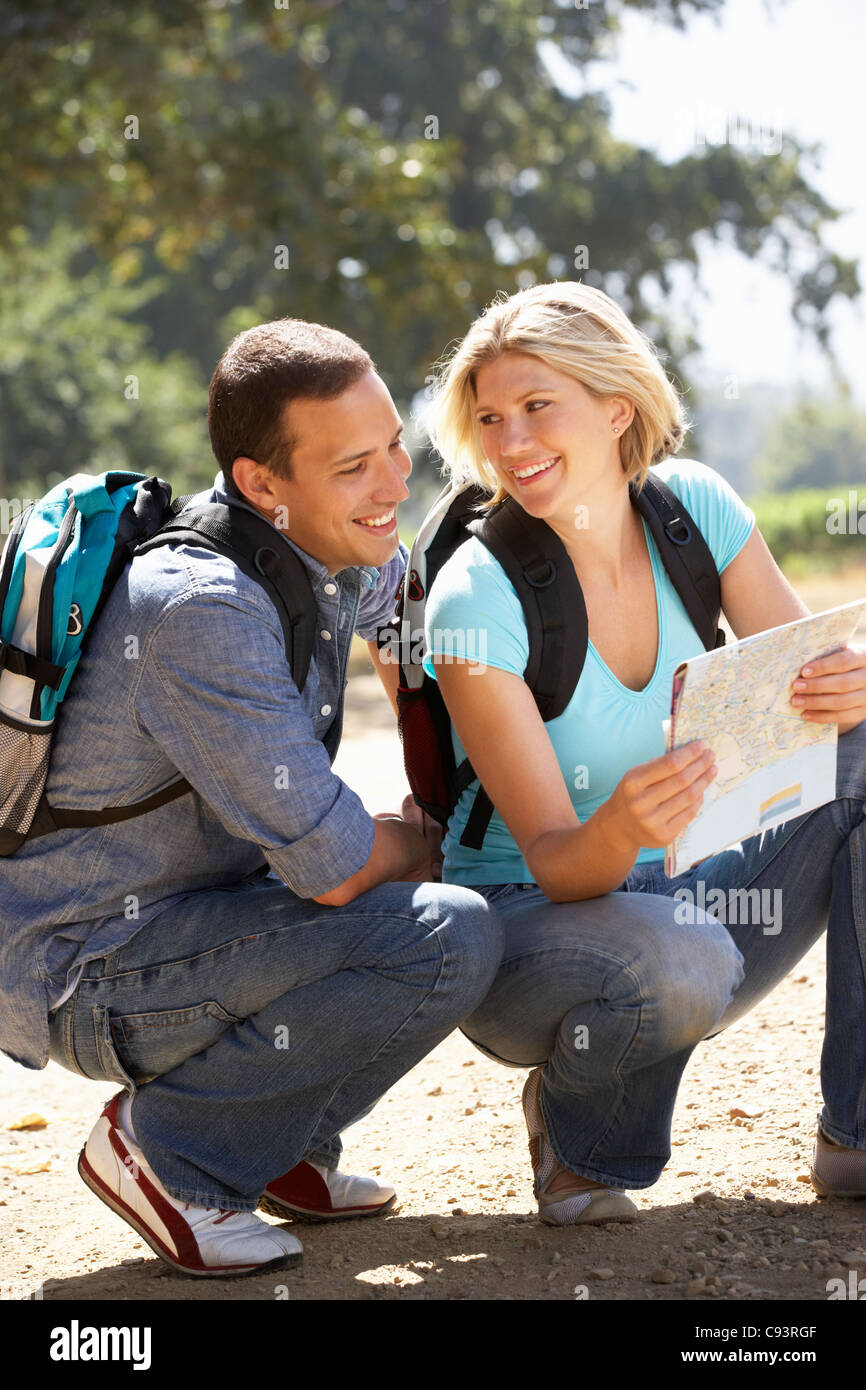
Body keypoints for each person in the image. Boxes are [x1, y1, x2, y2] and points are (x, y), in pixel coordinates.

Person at [0, 318, 502, 1277]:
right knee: (443, 930)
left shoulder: (318, 545)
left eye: (395, 444)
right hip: (85, 962)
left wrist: (426, 753)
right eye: (356, 465)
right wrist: (422, 839)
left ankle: (280, 1146)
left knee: (427, 912)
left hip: (193, 920)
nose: (397, 482)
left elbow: (400, 616)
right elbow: (340, 864)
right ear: (262, 483)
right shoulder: (201, 608)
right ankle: (172, 1155)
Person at [421, 280, 866, 1226]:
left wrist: (852, 684)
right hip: (531, 925)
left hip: (686, 889)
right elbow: (554, 857)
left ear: (616, 407)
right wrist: (621, 823)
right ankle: (580, 1141)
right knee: (681, 951)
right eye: (491, 417)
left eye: (539, 407)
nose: (510, 443)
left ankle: (858, 1133)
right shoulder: (475, 596)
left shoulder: (694, 507)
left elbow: (815, 694)